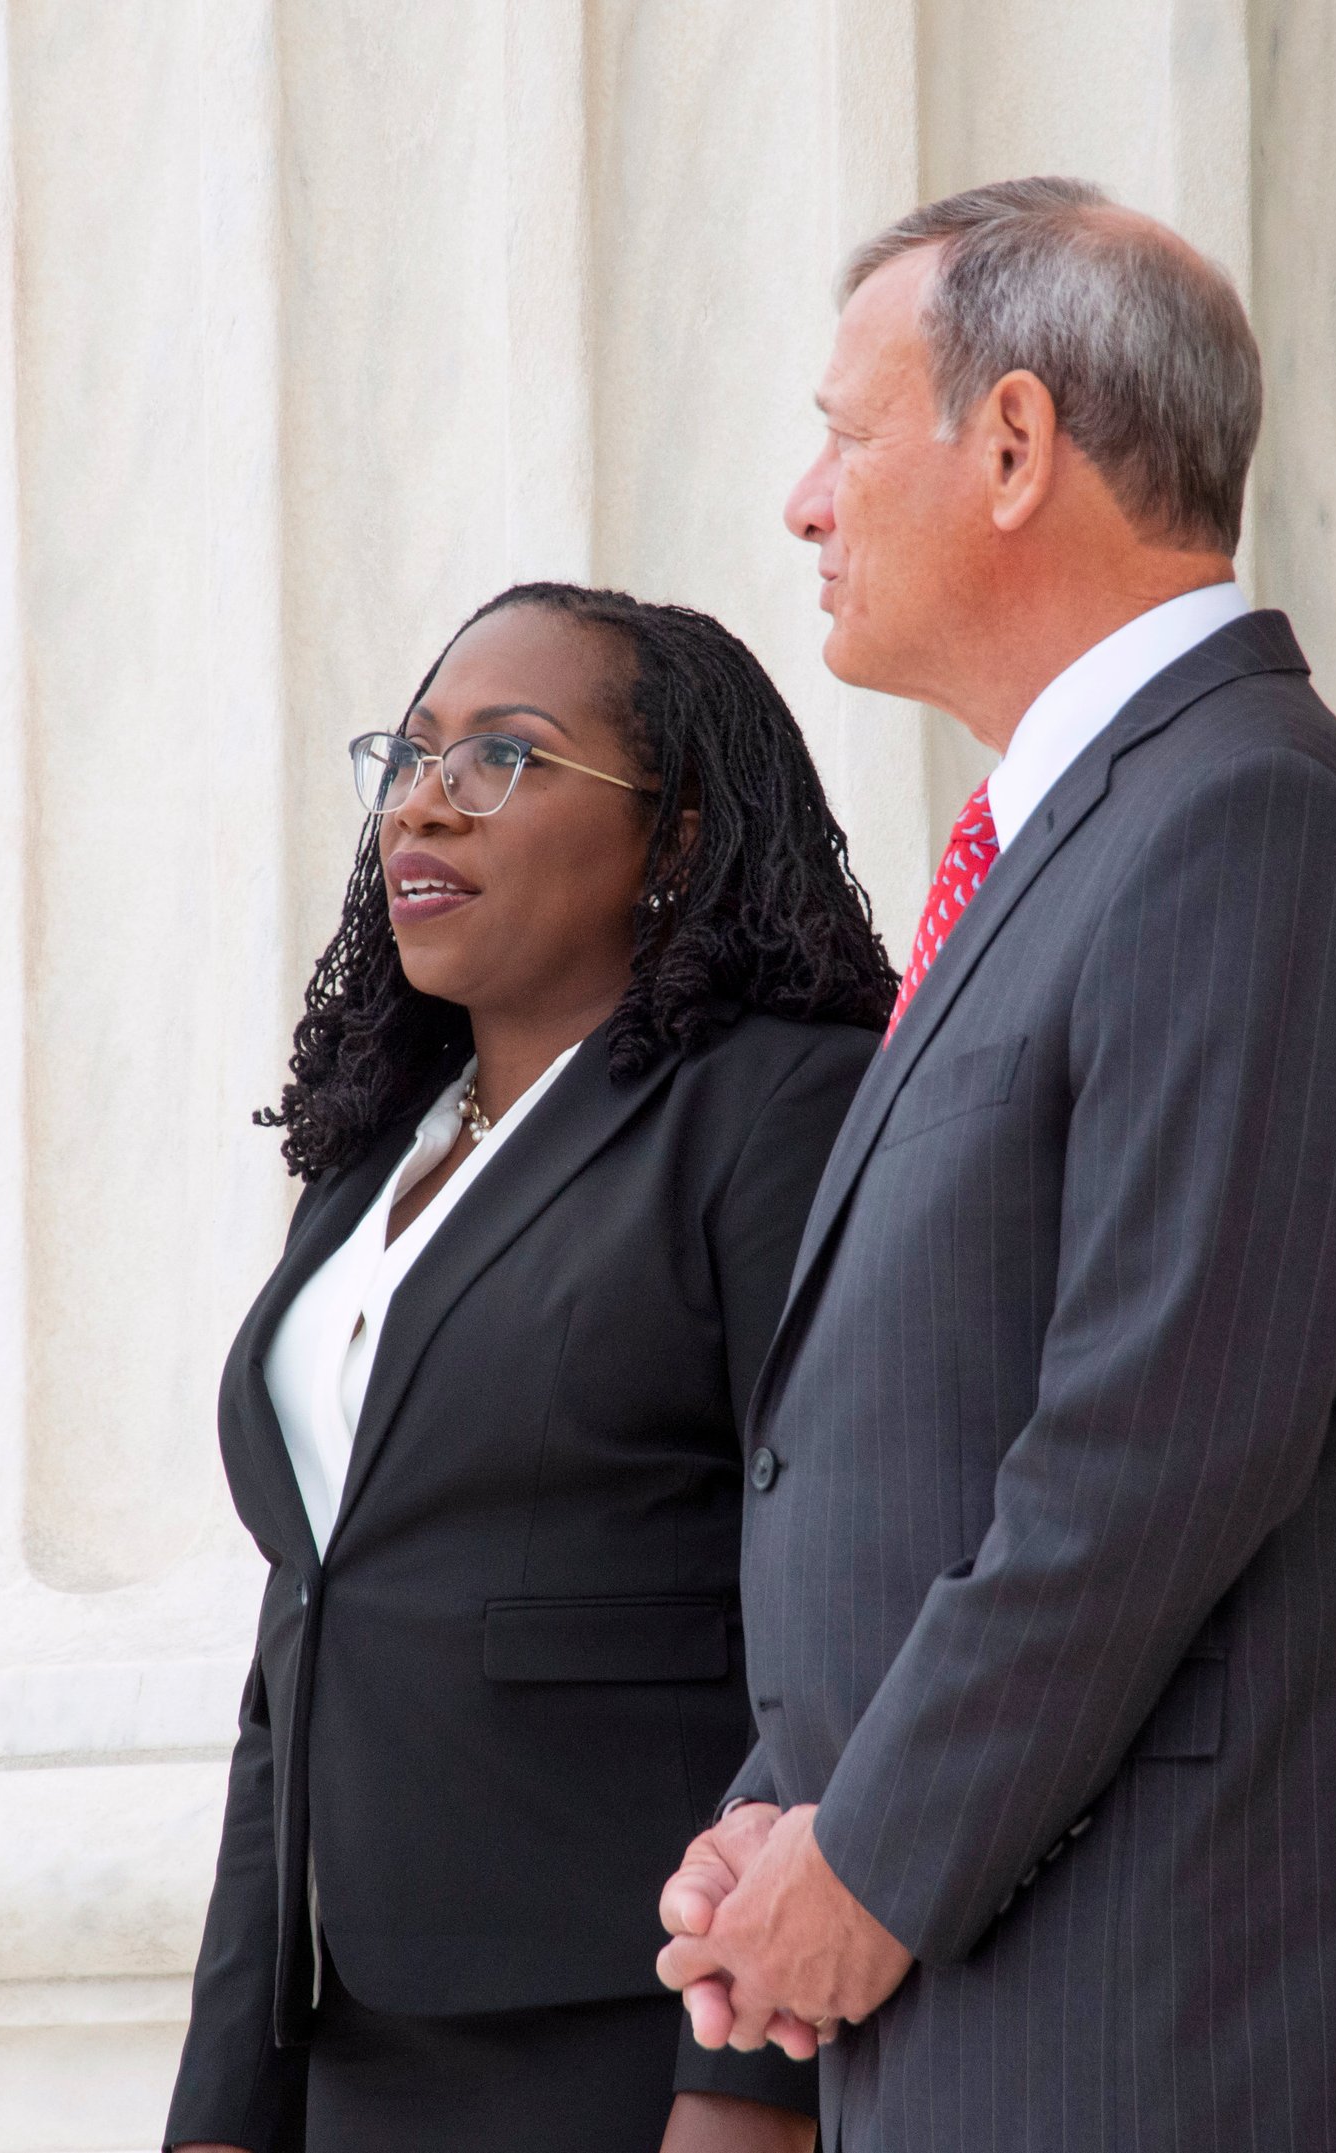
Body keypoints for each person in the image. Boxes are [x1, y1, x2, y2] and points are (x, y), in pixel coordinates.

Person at [654, 178, 1336, 2150]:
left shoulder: (1253, 827)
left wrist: (873, 1865)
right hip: (1011, 2022)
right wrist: (783, 1838)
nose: (802, 502)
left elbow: (1152, 1448)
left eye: (845, 436)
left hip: (1168, 2041)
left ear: (1016, 444)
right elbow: (930, 1439)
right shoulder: (1081, 847)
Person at [165, 583, 896, 2153]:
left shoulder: (778, 1108)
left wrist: (754, 2084)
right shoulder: (375, 1162)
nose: (426, 799)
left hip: (628, 2028)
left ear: (679, 834)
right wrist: (225, 2101)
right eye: (412, 755)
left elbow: (844, 1588)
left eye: (505, 756)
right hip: (353, 2040)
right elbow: (302, 1642)